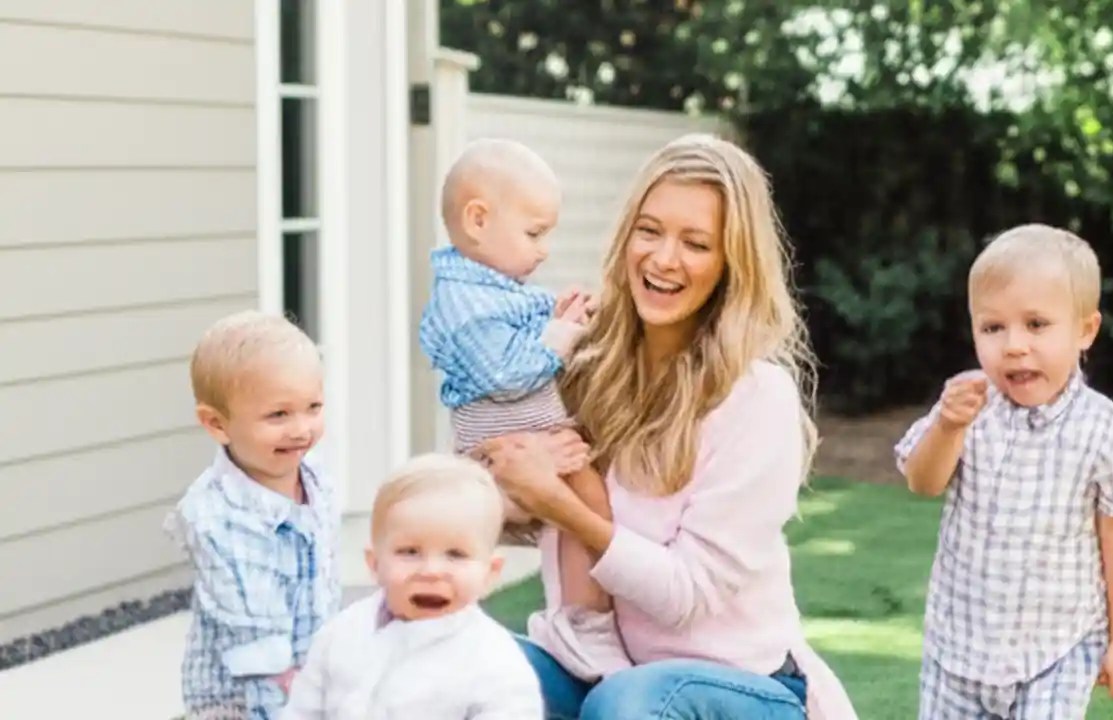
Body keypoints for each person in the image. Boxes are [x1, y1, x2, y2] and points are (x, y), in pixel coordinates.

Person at [479, 133, 858, 720]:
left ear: (733, 263)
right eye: (649, 231)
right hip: (600, 671)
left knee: (630, 704)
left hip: (740, 687)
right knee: (448, 656)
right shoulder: (584, 365)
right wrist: (498, 485)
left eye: (696, 243)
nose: (662, 259)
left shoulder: (757, 397)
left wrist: (557, 502)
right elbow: (510, 507)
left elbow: (687, 595)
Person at [895, 224, 1113, 718]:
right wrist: (948, 427)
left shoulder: (1100, 426)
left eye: (1036, 324)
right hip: (959, 644)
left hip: (1057, 648)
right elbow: (922, 482)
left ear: (1085, 330)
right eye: (992, 328)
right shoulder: (968, 402)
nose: (1013, 345)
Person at [417, 138, 627, 681]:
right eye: (535, 233)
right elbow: (507, 376)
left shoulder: (493, 289)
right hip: (504, 440)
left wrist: (558, 323)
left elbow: (522, 348)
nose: (544, 250)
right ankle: (585, 622)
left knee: (579, 509)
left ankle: (582, 617)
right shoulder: (464, 302)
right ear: (478, 220)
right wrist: (559, 336)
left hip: (530, 433)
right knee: (575, 503)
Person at [164, 310, 339, 719]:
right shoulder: (213, 516)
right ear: (217, 424)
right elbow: (258, 645)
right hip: (239, 701)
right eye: (278, 415)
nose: (301, 429)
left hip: (305, 682)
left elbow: (323, 587)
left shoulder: (317, 482)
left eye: (313, 407)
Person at [279, 453, 542, 719]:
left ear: (490, 572)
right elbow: (302, 711)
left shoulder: (493, 661)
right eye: (410, 552)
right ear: (375, 563)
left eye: (455, 554)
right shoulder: (340, 634)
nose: (431, 571)